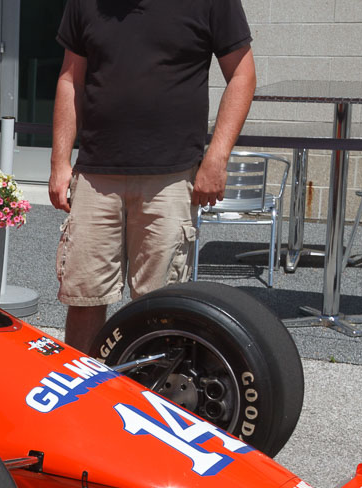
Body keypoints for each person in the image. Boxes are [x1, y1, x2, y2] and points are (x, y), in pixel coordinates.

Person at [48, 0, 256, 353]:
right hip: (97, 174)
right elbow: (71, 79)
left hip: (171, 178)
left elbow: (242, 75)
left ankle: (149, 395)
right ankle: (80, 393)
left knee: (160, 304)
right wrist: (59, 162)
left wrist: (217, 157)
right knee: (84, 296)